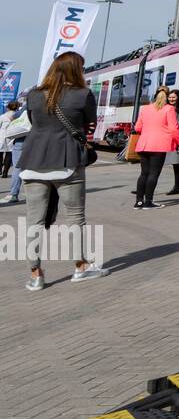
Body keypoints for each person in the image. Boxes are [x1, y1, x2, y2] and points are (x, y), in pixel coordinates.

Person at [20, 53, 109, 290]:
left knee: (34, 221)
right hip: (67, 161)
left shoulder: (34, 95)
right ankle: (80, 267)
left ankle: (35, 274)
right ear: (76, 69)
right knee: (75, 219)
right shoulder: (83, 94)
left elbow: (33, 122)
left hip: (34, 161)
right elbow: (90, 125)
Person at [132, 86, 179, 209]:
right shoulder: (169, 109)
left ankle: (138, 201)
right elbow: (173, 129)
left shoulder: (145, 108)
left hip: (144, 144)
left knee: (144, 173)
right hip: (159, 145)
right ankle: (148, 201)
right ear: (167, 97)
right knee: (154, 174)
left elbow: (137, 128)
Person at [162, 90, 179, 195]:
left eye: (173, 97)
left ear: (178, 98)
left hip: (177, 137)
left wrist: (169, 120)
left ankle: (177, 186)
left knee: (176, 163)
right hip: (167, 137)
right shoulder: (166, 107)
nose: (171, 99)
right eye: (170, 97)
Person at [3, 101, 30, 203]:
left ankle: (14, 194)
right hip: (39, 139)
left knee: (17, 167)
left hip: (22, 139)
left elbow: (13, 117)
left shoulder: (31, 101)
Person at [0, 101, 20, 178]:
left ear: (7, 107)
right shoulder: (17, 116)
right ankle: (5, 172)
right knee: (9, 154)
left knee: (0, 153)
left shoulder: (2, 116)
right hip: (12, 136)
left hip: (2, 136)